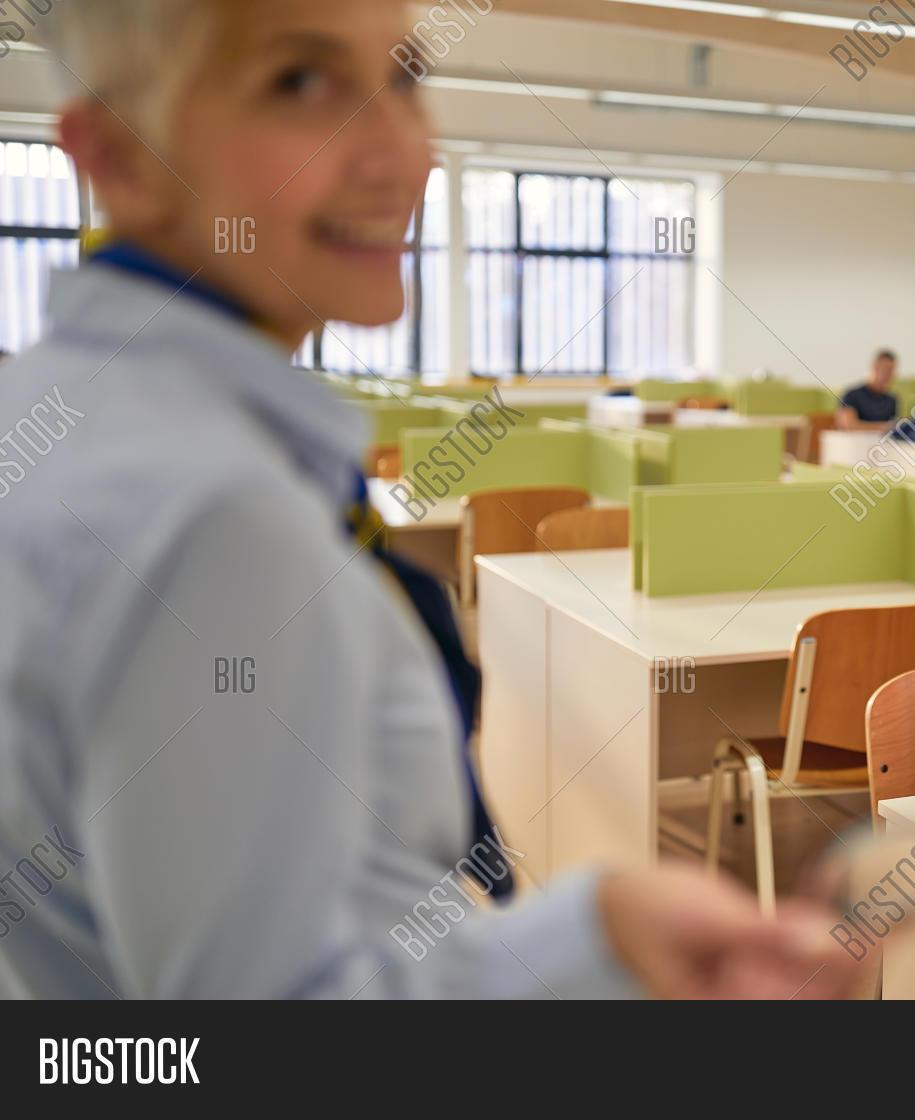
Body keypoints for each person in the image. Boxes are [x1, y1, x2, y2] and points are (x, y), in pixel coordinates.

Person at [0, 0, 859, 1000]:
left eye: (404, 78)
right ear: (118, 156)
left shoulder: (58, 415)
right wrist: (591, 954)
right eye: (300, 83)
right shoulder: (216, 512)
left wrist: (597, 927)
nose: (407, 156)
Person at [835, 348, 899, 428]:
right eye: (885, 369)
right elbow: (849, 425)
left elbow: (893, 427)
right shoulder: (851, 395)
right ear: (874, 367)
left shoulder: (892, 400)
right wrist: (884, 426)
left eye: (891, 371)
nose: (888, 374)